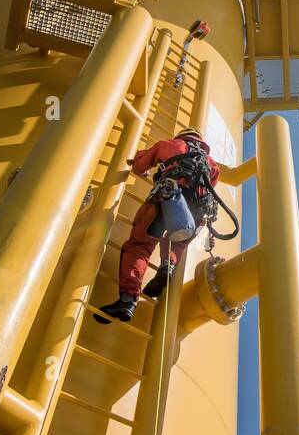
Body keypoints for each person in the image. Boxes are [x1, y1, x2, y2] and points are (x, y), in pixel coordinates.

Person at [94, 127, 223, 324]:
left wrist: (139, 162)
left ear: (181, 135)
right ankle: (167, 266)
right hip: (195, 215)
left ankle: (127, 300)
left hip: (165, 199)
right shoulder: (213, 166)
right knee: (177, 244)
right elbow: (209, 190)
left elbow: (140, 165)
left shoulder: (169, 144)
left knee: (140, 247)